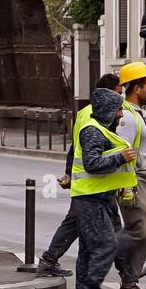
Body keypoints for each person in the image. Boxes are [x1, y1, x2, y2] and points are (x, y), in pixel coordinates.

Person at [36, 73, 128, 278]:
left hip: (94, 184)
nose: (122, 100)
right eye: (119, 93)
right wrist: (70, 173)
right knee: (96, 232)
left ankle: (127, 274)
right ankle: (125, 276)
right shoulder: (95, 116)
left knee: (99, 227)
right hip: (92, 185)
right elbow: (84, 148)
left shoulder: (88, 112)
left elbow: (75, 147)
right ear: (108, 93)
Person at [69, 88, 138, 289]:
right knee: (106, 245)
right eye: (118, 109)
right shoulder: (94, 131)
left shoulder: (99, 129)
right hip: (90, 198)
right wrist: (121, 157)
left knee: (89, 249)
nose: (120, 115)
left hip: (94, 196)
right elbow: (92, 164)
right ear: (108, 110)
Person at [113, 62, 146, 289]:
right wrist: (126, 185)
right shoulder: (127, 118)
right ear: (135, 88)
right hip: (134, 181)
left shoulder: (141, 114)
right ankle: (103, 252)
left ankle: (130, 281)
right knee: (138, 229)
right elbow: (123, 153)